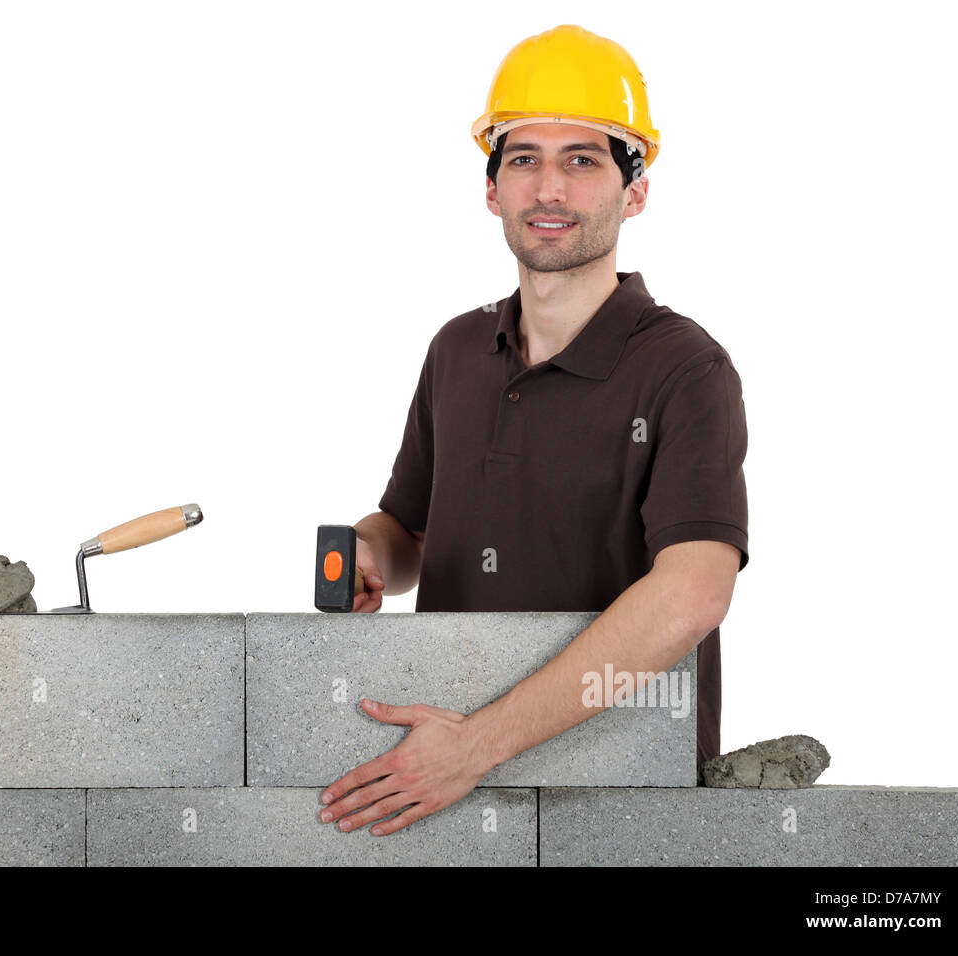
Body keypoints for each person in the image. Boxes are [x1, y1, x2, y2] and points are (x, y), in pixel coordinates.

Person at [317, 24, 750, 837]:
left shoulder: (687, 369)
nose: (550, 188)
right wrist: (371, 556)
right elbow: (410, 529)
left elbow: (694, 592)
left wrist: (478, 745)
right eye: (524, 159)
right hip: (445, 784)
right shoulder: (457, 348)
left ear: (636, 191)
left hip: (622, 796)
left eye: (582, 160)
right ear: (492, 190)